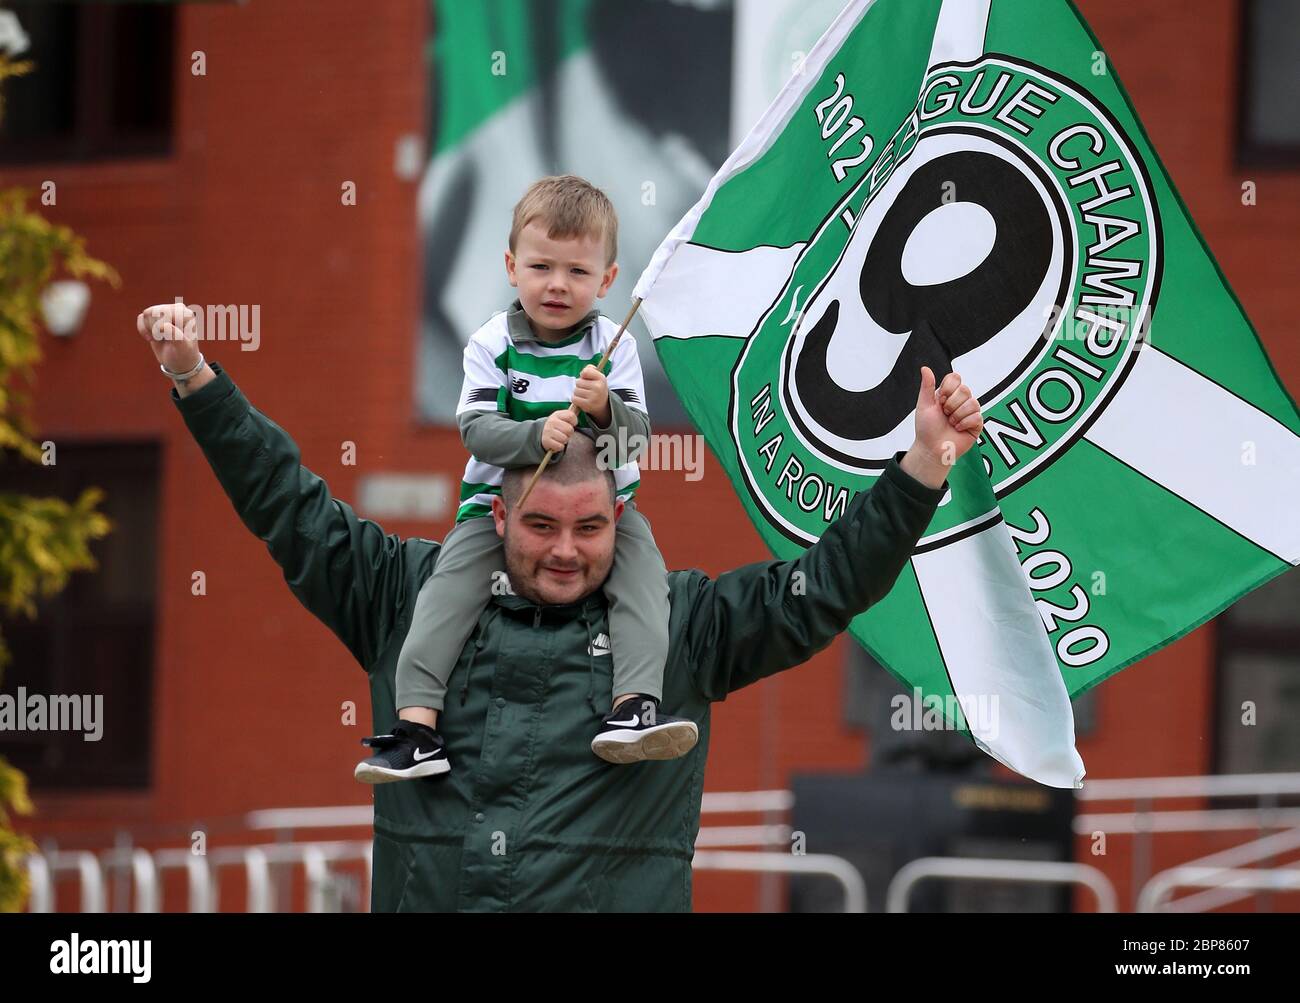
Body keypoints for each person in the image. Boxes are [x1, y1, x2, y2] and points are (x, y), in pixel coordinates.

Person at [138, 299, 984, 912]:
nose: (565, 551)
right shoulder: (406, 592)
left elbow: (823, 590)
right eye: (540, 525)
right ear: (498, 513)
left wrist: (920, 472)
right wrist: (196, 379)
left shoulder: (679, 622)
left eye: (588, 528)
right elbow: (289, 508)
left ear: (620, 516)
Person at [357, 176, 696, 784]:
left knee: (645, 584)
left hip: (604, 512)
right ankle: (417, 729)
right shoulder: (491, 342)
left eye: (577, 271)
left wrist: (603, 412)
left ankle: (634, 708)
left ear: (608, 280)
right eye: (541, 266)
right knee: (444, 596)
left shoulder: (613, 350)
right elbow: (475, 431)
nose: (558, 285)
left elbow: (634, 442)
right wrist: (534, 435)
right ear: (512, 267)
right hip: (497, 508)